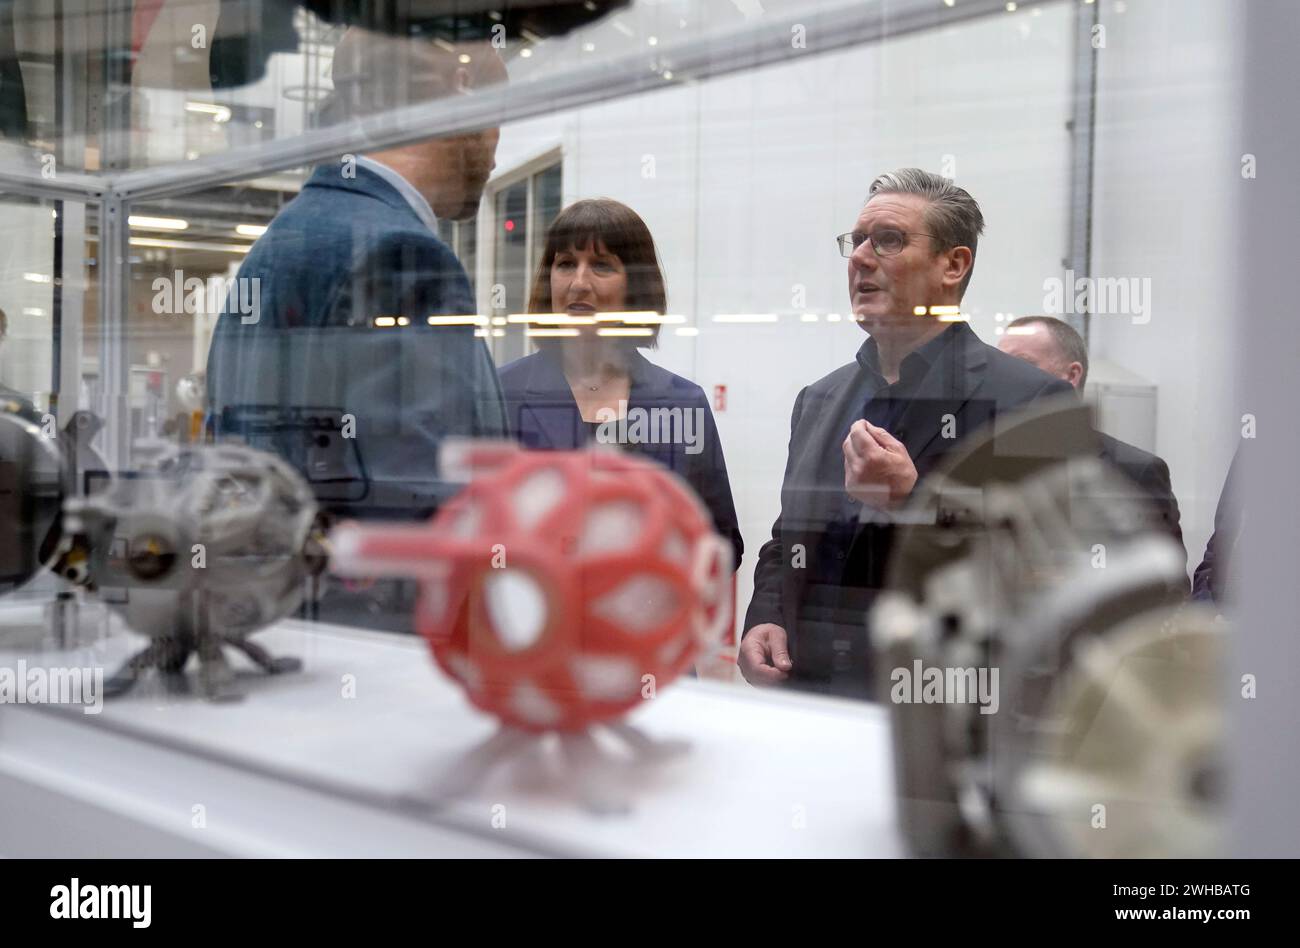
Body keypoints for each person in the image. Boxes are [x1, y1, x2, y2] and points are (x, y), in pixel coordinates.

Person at [205, 28, 509, 632]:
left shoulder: (292, 236)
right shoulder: (399, 252)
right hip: (385, 661)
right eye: (499, 112)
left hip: (297, 639)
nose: (499, 142)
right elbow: (418, 515)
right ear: (461, 89)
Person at [739, 169, 1073, 698]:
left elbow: (1048, 574)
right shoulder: (821, 400)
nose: (861, 257)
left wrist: (913, 502)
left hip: (939, 719)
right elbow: (788, 539)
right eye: (857, 241)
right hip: (812, 703)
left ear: (953, 264)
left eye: (889, 240)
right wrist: (767, 615)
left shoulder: (1031, 402)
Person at [498, 199, 743, 570]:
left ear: (636, 287)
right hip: (535, 618)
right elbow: (474, 532)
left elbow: (721, 543)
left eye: (601, 265)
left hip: (644, 620)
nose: (579, 283)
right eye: (565, 264)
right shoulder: (503, 393)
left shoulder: (681, 402)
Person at [997, 315, 1187, 579]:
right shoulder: (987, 468)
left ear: (1071, 375)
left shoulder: (1135, 470)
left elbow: (1166, 586)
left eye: (1022, 364)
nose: (1005, 377)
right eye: (1000, 366)